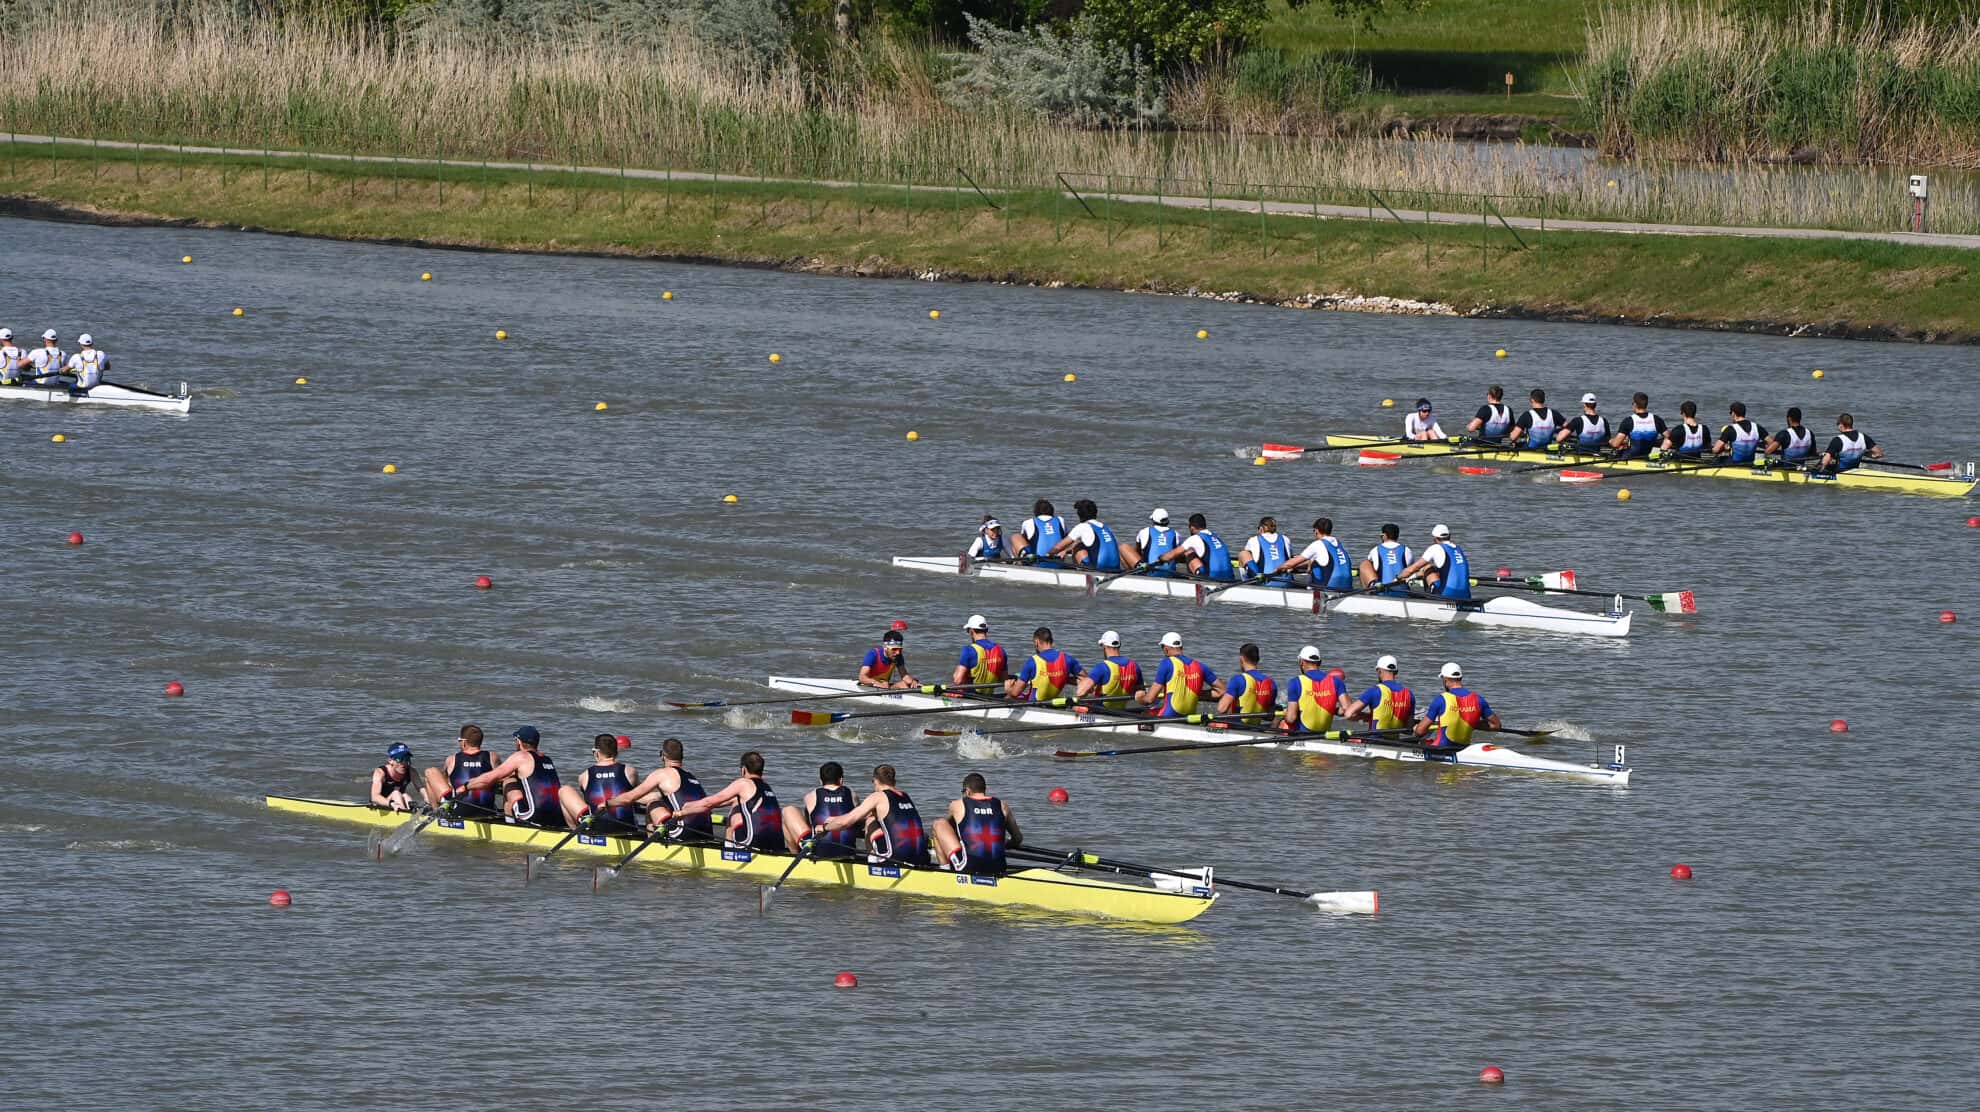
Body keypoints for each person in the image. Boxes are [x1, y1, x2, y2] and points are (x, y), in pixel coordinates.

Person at [662, 751, 785, 852]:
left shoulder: (743, 783)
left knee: (735, 809)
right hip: (777, 843)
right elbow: (718, 803)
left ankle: (728, 852)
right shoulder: (767, 787)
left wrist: (682, 813)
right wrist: (691, 806)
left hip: (754, 843)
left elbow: (710, 803)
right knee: (737, 803)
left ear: (743, 770)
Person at [595, 737, 713, 842]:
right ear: (682, 757)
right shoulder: (691, 777)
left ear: (662, 755)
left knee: (653, 804)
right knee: (660, 802)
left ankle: (652, 843)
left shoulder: (661, 774)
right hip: (707, 833)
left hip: (683, 833)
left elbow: (630, 798)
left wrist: (608, 803)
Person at [814, 764, 928, 867]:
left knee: (871, 822)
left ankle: (873, 862)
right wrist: (835, 819)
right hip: (921, 857)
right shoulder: (905, 796)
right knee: (874, 819)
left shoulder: (877, 797)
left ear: (876, 780)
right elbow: (863, 816)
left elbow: (846, 822)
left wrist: (824, 827)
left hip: (896, 860)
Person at [453, 726, 564, 828]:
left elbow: (490, 778)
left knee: (509, 781)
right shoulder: (547, 760)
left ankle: (510, 824)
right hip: (557, 816)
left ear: (519, 742)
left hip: (534, 816)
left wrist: (466, 786)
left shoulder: (520, 756)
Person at [932, 773, 1022, 875]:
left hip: (968, 868)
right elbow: (1018, 839)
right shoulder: (1002, 805)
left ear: (967, 791)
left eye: (963, 792)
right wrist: (1004, 844)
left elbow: (947, 828)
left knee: (938, 824)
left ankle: (944, 872)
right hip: (999, 868)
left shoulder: (957, 805)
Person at [780, 761, 861, 860]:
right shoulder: (853, 795)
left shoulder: (810, 796)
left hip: (820, 852)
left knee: (788, 811)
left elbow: (808, 822)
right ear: (841, 780)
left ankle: (796, 856)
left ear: (820, 781)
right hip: (848, 852)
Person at [1414, 662, 1502, 749]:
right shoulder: (1478, 699)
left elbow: (1420, 732)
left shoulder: (1440, 700)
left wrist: (1416, 727)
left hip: (1441, 750)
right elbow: (1496, 725)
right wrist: (1471, 723)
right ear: (1461, 678)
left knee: (1421, 738)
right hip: (1463, 750)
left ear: (1445, 680)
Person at [563, 734, 640, 832]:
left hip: (598, 829)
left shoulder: (584, 776)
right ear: (616, 752)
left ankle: (576, 832)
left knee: (564, 790)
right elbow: (638, 799)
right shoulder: (630, 772)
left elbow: (588, 800)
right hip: (627, 828)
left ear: (596, 753)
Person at [420, 724, 500, 814]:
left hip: (460, 811)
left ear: (464, 742)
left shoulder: (452, 759)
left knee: (430, 773)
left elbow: (444, 782)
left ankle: (436, 812)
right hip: (488, 809)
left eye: (459, 740)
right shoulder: (492, 757)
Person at [1134, 632, 1216, 718]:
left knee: (1144, 712)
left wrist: (1139, 698)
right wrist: (1196, 693)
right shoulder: (1200, 666)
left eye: (1162, 648)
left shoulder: (1166, 663)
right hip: (1189, 717)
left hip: (1167, 717)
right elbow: (1221, 691)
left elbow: (1149, 699)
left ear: (1166, 649)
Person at [1050, 498, 1137, 572]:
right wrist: (1065, 551)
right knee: (1080, 544)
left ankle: (1080, 575)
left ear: (1079, 515)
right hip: (1115, 568)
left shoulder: (1082, 526)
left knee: (1078, 548)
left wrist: (1047, 554)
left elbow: (1058, 547)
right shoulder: (1105, 527)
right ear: (1095, 513)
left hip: (1098, 568)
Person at [1280, 646, 1347, 734]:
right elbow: (1346, 709)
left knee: (1283, 723)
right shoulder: (1337, 681)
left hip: (1302, 735)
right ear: (1320, 663)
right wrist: (1331, 709)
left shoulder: (1295, 682)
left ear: (1301, 662)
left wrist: (1286, 714)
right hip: (1325, 734)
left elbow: (1291, 718)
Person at [1394, 524, 1471, 599]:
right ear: (1449, 536)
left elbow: (1412, 569)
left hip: (1446, 594)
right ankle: (1413, 577)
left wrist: (1397, 578)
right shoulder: (1458, 549)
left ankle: (1429, 600)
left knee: (1427, 567)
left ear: (1435, 539)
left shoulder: (1435, 548)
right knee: (1435, 569)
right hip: (1466, 595)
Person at [1006, 626, 1081, 701]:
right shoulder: (1067, 659)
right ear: (1052, 641)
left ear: (1036, 642)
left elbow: (1015, 693)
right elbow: (1085, 679)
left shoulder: (1032, 661)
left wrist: (1009, 689)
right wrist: (1063, 678)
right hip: (1052, 702)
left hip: (1034, 705)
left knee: (1007, 697)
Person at [1153, 513, 1234, 582]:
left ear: (1192, 528)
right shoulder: (1215, 536)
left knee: (1189, 553)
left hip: (1213, 580)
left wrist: (1160, 559)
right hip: (1230, 579)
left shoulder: (1194, 538)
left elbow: (1170, 556)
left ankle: (1192, 582)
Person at [1279, 517, 1354, 591]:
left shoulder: (1317, 544)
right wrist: (1297, 566)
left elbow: (1290, 564)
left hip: (1330, 587)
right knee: (1314, 563)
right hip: (1347, 586)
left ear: (1316, 531)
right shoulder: (1338, 543)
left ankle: (1311, 591)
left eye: (1313, 530)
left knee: (1314, 566)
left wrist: (1277, 569)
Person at [1343, 655, 1415, 731]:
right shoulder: (1409, 694)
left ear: (1379, 671)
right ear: (1396, 672)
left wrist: (1367, 717)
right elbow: (1409, 727)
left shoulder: (1375, 691)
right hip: (1394, 741)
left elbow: (1349, 714)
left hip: (1373, 740)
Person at [1073, 629, 1141, 706]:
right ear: (1119, 645)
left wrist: (1081, 682)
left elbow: (1080, 693)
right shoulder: (1134, 666)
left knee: (1073, 705)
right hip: (1121, 710)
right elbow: (1141, 694)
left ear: (1104, 646)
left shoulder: (1102, 667)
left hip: (1100, 712)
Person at [1214, 642, 1277, 717]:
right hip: (1256, 726)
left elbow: (1221, 709)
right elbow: (1270, 716)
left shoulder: (1237, 680)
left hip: (1236, 725)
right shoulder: (1271, 683)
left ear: (1241, 659)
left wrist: (1225, 695)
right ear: (1258, 659)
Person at [1358, 523, 1414, 598]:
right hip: (1404, 592)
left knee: (1365, 564)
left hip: (1382, 592)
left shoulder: (1375, 550)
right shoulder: (1407, 550)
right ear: (1397, 536)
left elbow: (1370, 567)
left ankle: (1366, 596)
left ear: (1384, 536)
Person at [952, 614, 1007, 687]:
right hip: (989, 695)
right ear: (986, 630)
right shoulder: (1000, 650)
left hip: (970, 695)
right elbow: (1004, 680)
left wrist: (957, 671)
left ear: (971, 631)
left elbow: (958, 680)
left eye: (967, 631)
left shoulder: (968, 650)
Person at [1819, 412, 1883, 473]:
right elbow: (1879, 454)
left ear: (1841, 425)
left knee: (1824, 460)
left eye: (1837, 425)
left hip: (1841, 472)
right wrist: (1861, 453)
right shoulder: (1863, 437)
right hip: (1855, 470)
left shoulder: (1838, 440)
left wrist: (1820, 470)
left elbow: (1825, 461)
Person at [1608, 392, 1666, 459]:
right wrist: (1654, 441)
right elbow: (1669, 437)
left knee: (1617, 450)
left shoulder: (1628, 421)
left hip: (1631, 457)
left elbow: (1615, 444)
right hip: (1649, 456)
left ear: (1634, 404)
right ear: (1646, 404)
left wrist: (1610, 441)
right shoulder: (1657, 419)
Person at [1238, 516, 1293, 584]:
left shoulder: (1253, 540)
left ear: (1261, 529)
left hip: (1265, 583)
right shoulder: (1286, 539)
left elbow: (1247, 559)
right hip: (1288, 583)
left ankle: (1245, 584)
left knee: (1243, 554)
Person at [371, 743, 418, 812]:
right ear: (390, 760)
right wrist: (391, 803)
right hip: (382, 805)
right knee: (396, 793)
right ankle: (405, 815)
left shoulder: (411, 771)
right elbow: (374, 797)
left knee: (405, 795)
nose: (404, 762)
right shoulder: (380, 772)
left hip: (398, 803)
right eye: (400, 759)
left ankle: (412, 812)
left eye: (407, 758)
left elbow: (422, 789)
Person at [1016, 499, 1065, 564]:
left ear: (1035, 511)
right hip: (1059, 563)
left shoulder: (1028, 522)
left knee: (1016, 536)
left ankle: (1020, 562)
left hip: (1038, 563)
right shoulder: (1060, 520)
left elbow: (1023, 541)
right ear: (1052, 510)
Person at [1136, 508, 1181, 574]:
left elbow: (1137, 552)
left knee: (1124, 547)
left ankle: (1134, 576)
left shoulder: (1144, 531)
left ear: (1153, 520)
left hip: (1149, 572)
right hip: (1170, 573)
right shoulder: (1176, 534)